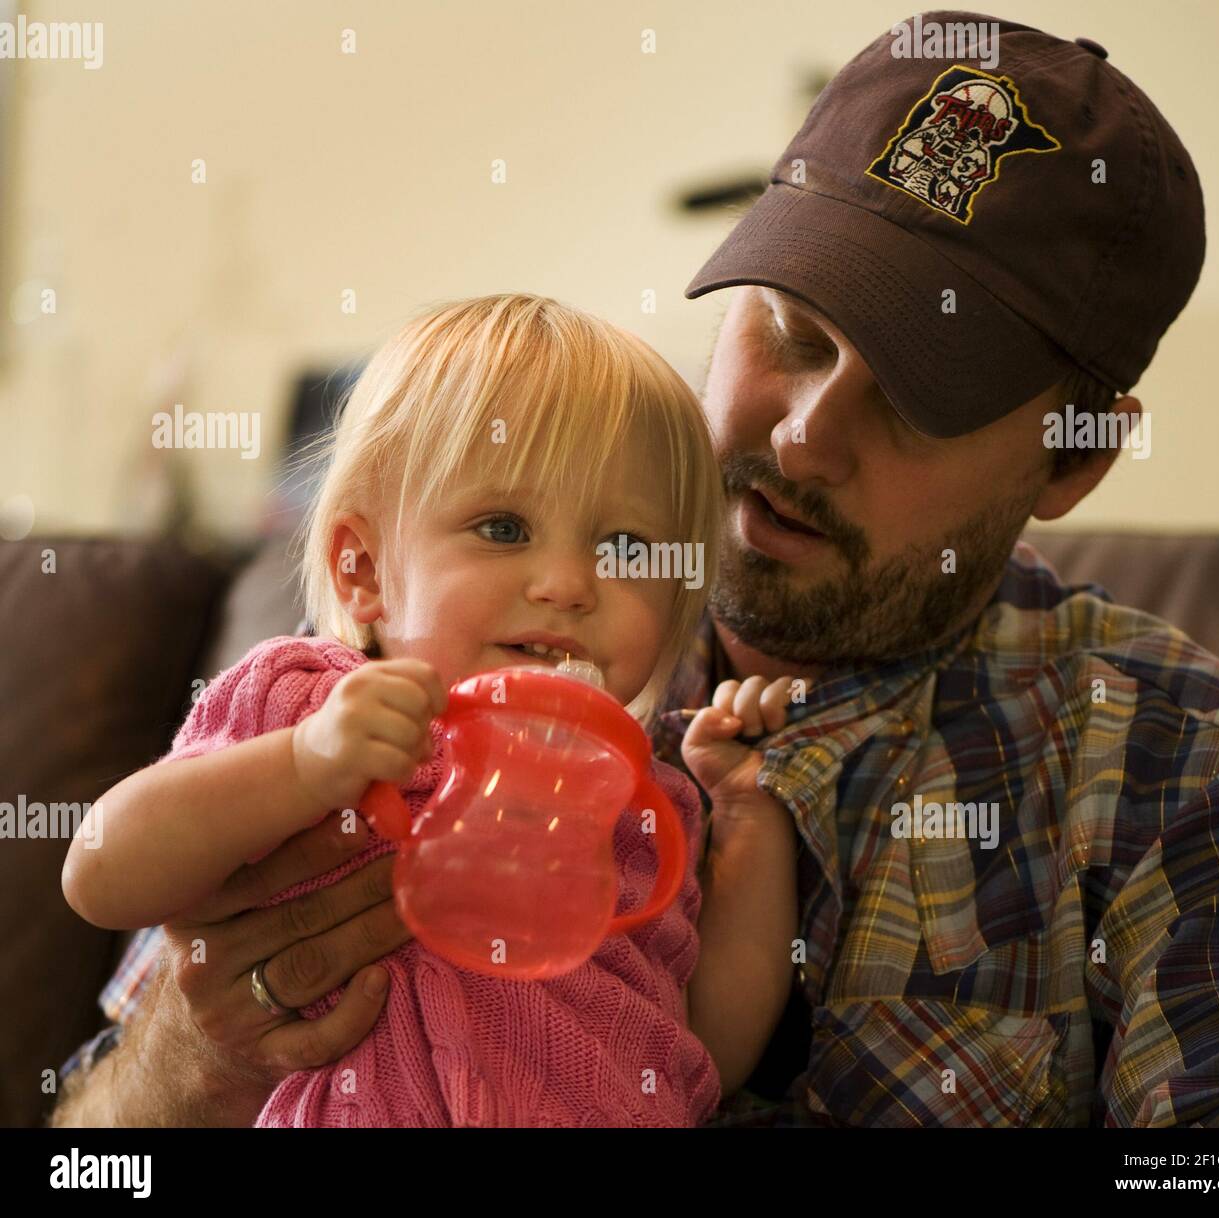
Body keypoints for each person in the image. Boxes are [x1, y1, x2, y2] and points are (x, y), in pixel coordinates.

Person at [52, 11, 1219, 1128]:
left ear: (1071, 462)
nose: (805, 433)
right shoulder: (384, 663)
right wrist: (187, 1065)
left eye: (921, 402)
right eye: (792, 333)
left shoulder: (1184, 778)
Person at [60, 293, 802, 1126]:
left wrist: (750, 820)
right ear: (363, 571)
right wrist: (303, 765)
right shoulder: (311, 703)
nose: (567, 584)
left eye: (624, 549)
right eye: (503, 527)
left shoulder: (642, 803)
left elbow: (705, 1044)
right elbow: (100, 872)